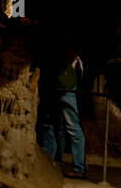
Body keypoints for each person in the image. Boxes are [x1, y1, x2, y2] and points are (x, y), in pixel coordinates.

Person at [36, 38, 88, 178]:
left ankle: (78, 167)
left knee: (70, 127)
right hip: (59, 87)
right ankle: (53, 161)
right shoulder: (72, 59)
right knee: (55, 126)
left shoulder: (73, 60)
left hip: (66, 88)